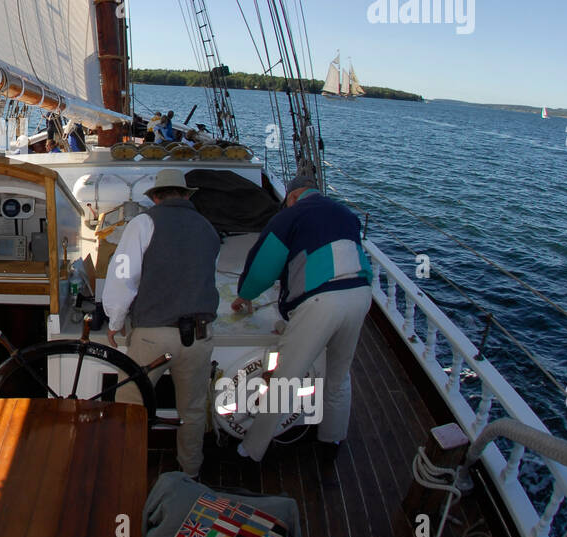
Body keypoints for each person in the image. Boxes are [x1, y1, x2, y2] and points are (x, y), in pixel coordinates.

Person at [231, 174, 372, 464]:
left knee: (285, 377)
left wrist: (245, 295)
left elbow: (263, 267)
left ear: (292, 197)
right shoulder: (345, 213)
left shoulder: (290, 216)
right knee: (339, 375)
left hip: (322, 302)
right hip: (361, 295)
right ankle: (332, 439)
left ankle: (251, 451)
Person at [103, 169, 221, 476]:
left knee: (130, 406)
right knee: (193, 410)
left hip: (153, 336)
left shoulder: (144, 222)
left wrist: (114, 321)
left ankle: (125, 470)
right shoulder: (209, 228)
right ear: (185, 195)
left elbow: (123, 276)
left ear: (156, 197)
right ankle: (191, 472)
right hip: (199, 335)